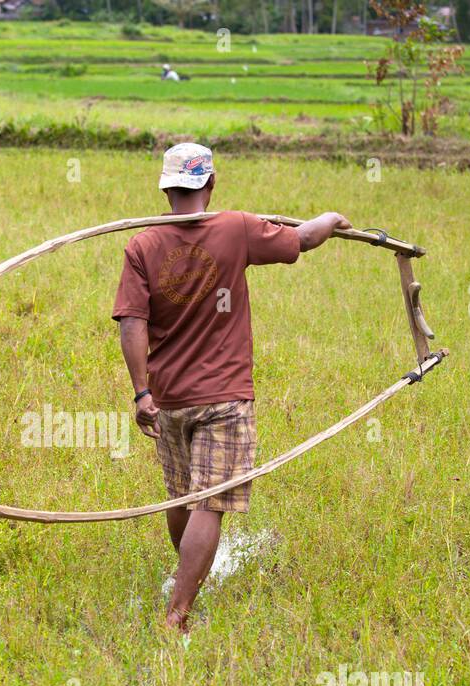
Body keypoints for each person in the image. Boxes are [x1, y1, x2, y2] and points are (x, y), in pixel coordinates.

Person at [111, 143, 350, 633]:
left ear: (165, 187)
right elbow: (302, 240)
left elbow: (131, 322)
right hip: (224, 396)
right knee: (209, 502)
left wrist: (142, 393)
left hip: (169, 398)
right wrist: (331, 218)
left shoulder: (142, 246)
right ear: (211, 184)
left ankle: (185, 579)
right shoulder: (237, 228)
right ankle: (177, 614)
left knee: (182, 497)